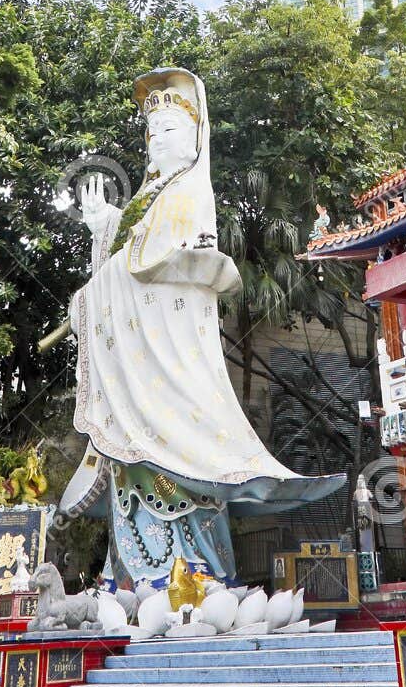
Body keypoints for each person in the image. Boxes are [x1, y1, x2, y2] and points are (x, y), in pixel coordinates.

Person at [66, 67, 344, 588]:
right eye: (151, 134)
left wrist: (100, 289)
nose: (156, 143)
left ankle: (193, 576)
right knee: (135, 469)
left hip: (172, 372)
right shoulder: (145, 203)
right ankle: (130, 576)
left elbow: (159, 267)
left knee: (182, 469)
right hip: (138, 376)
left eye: (169, 131)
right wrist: (104, 229)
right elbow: (125, 263)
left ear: (195, 140)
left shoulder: (189, 195)